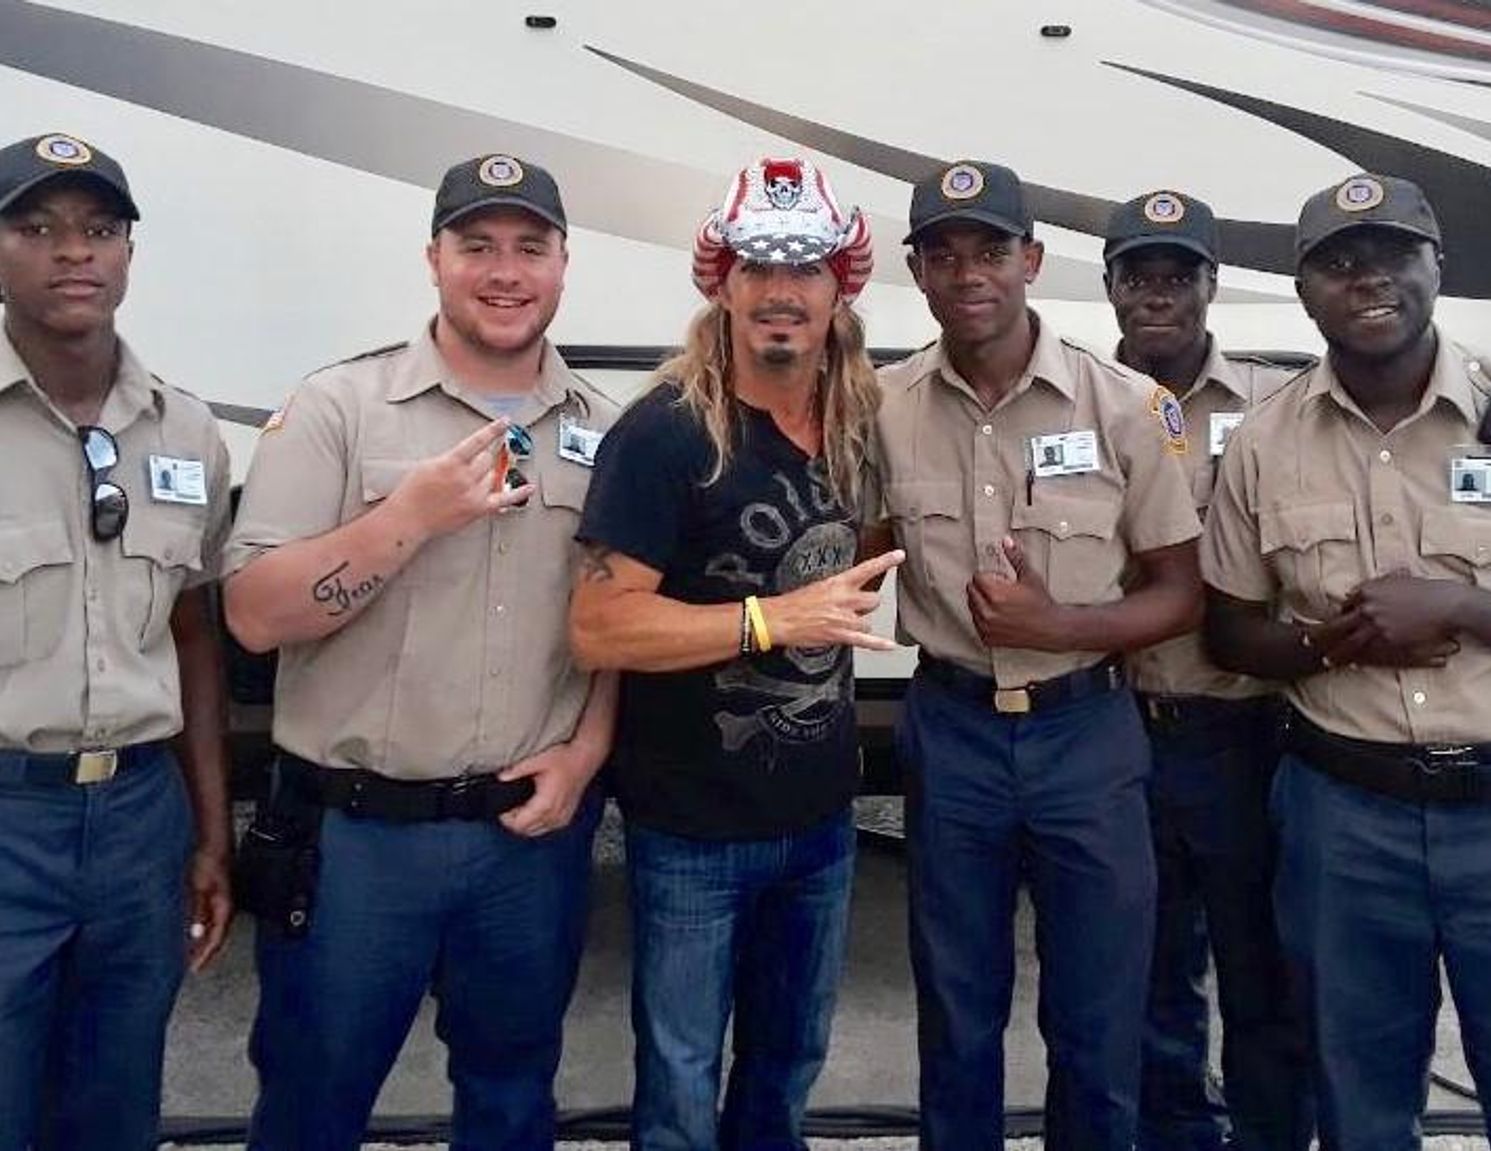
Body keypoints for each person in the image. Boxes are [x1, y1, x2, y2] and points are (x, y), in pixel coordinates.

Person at [223, 153, 619, 1150]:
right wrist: (408, 517)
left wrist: (586, 754)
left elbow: (613, 624)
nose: (505, 271)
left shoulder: (604, 430)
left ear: (564, 263)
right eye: (477, 245)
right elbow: (254, 616)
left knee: (512, 1101)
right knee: (313, 1105)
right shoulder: (339, 407)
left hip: (525, 843)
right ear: (434, 258)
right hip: (357, 839)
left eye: (529, 247)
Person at [862, 160, 1203, 1151]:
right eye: (943, 254)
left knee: (1098, 1018)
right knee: (956, 1010)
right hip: (953, 731)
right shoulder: (882, 406)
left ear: (1033, 261)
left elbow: (1181, 591)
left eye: (992, 251)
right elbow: (853, 550)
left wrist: (1061, 628)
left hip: (1085, 733)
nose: (969, 274)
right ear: (918, 271)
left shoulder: (1126, 404)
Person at [568, 156, 899, 1151]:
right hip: (692, 828)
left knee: (788, 1065)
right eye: (758, 265)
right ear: (722, 281)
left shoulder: (856, 424)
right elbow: (599, 625)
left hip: (823, 819)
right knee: (680, 1080)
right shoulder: (665, 434)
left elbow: (864, 552)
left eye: (805, 267)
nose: (781, 290)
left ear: (840, 286)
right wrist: (768, 620)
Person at [1202, 173, 1491, 1149]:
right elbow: (1229, 631)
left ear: (1438, 265)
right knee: (1358, 1097)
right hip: (1344, 820)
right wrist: (1332, 640)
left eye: (1392, 255)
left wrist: (1460, 603)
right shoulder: (1265, 439)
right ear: (1304, 290)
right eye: (1339, 263)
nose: (1368, 279)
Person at [0, 132, 232, 1151]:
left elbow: (194, 634)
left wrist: (211, 834)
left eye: (99, 229)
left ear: (130, 253)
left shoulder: (187, 430)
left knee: (115, 1104)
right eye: (37, 228)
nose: (73, 252)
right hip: (9, 812)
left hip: (140, 817)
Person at [1103, 189, 1313, 1151]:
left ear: (1211, 285)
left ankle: (1271, 1133)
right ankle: (1176, 1133)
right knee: (1147, 969)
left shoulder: (1276, 404)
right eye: (1137, 275)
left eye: (1177, 275)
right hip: (1118, 727)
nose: (1157, 294)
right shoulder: (1076, 401)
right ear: (1111, 287)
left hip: (1243, 730)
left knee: (1261, 967)